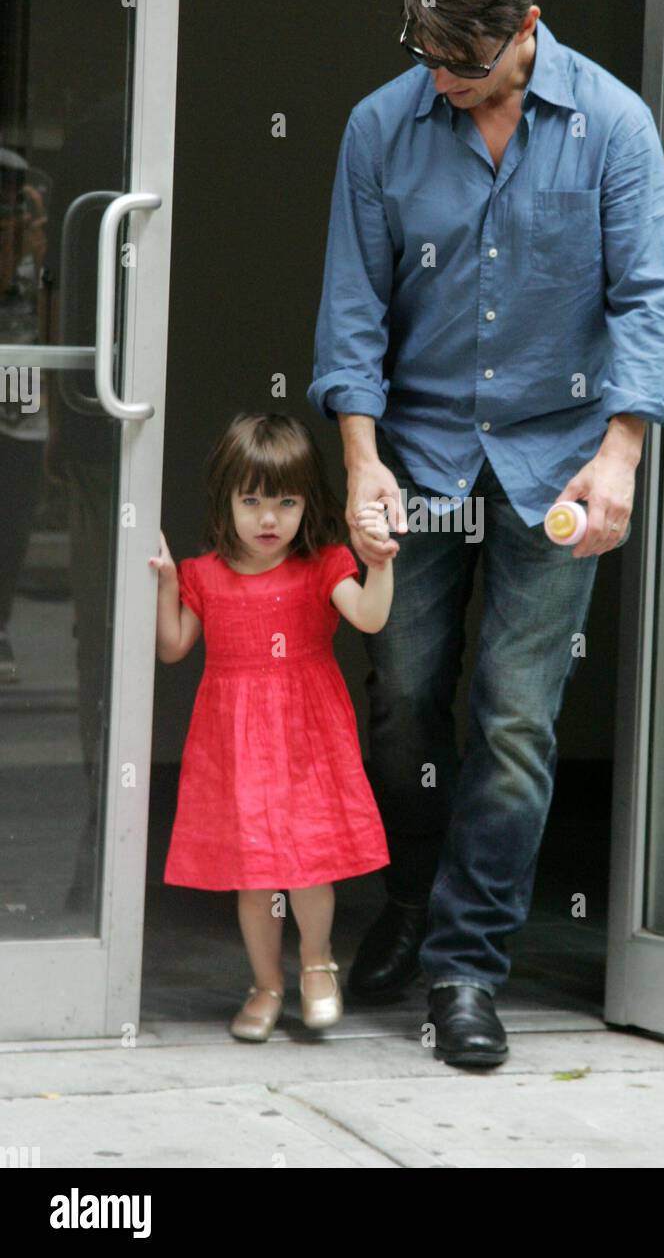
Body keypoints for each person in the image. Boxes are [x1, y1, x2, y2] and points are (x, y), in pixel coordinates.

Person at [308, 0, 664, 1068]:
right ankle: (413, 900)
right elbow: (354, 310)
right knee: (403, 697)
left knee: (516, 721)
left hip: (554, 463)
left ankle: (468, 967)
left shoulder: (615, 125)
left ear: (526, 30)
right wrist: (362, 459)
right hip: (417, 454)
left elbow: (647, 301)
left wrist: (621, 452)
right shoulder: (381, 126)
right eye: (427, 57)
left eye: (461, 67)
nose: (440, 80)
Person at [149, 411, 393, 1041]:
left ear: (308, 503)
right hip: (236, 743)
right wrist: (169, 583)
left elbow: (368, 617)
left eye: (286, 502)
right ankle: (265, 985)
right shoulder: (206, 575)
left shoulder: (323, 565)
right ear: (225, 498)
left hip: (308, 735)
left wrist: (381, 562)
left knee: (311, 863)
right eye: (251, 500)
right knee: (256, 875)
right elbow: (174, 646)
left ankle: (317, 965)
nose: (267, 519)